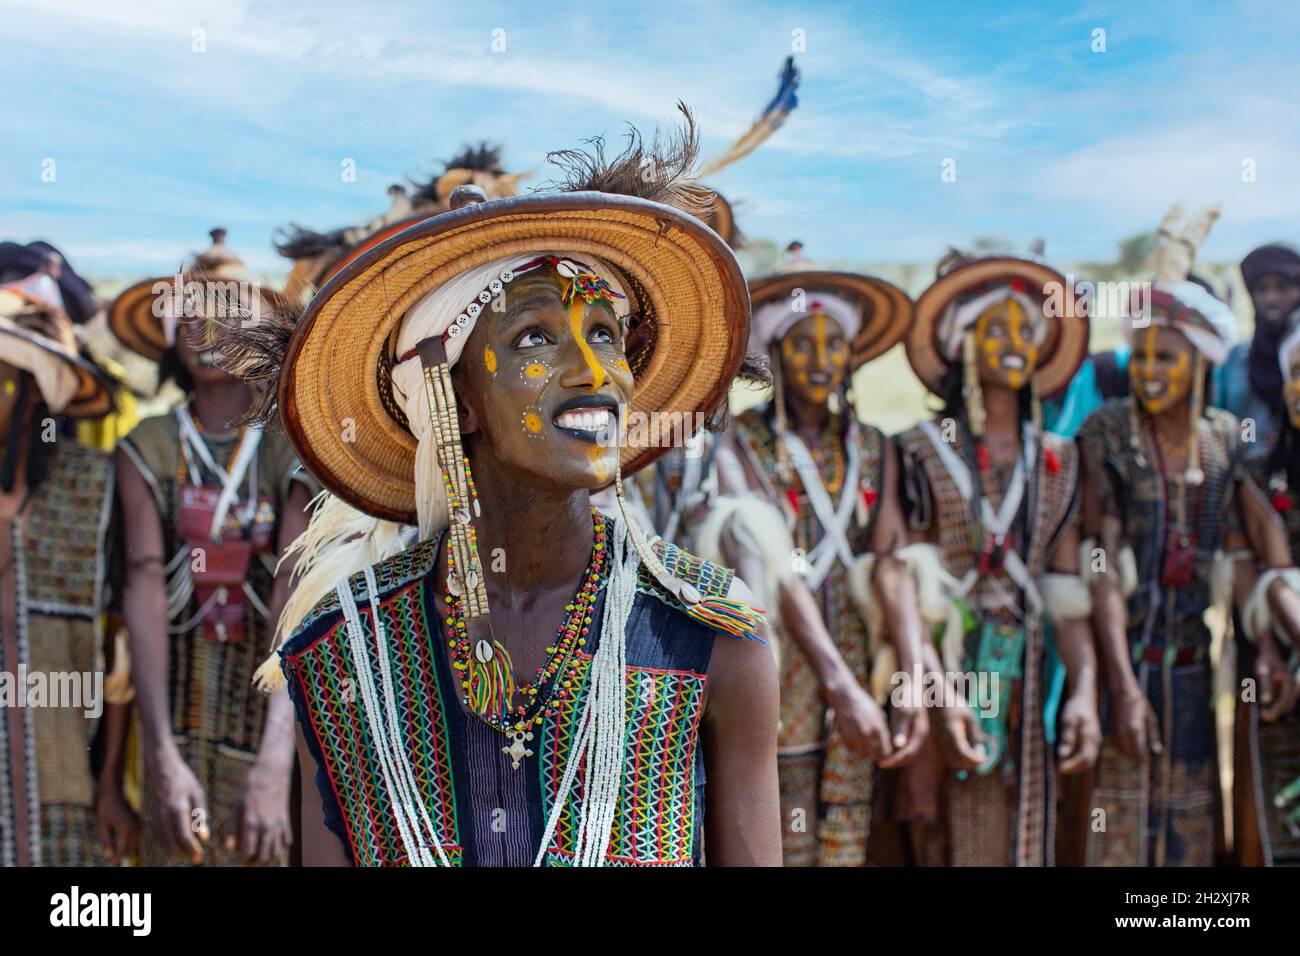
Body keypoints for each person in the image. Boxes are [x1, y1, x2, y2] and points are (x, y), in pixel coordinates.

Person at [222, 112, 782, 867]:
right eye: (535, 338)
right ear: (458, 402)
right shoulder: (343, 654)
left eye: (606, 333)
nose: (593, 369)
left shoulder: (715, 638)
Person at [1077, 208, 1300, 866]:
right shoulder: (1108, 433)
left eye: (1166, 357)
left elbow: (1238, 552)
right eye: (1141, 352)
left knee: (1189, 841)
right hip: (1131, 661)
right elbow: (1099, 567)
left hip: (1195, 672)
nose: (1149, 368)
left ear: (1200, 365)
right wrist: (1121, 687)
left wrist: (1263, 646)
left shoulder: (1224, 439)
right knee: (1119, 835)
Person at [882, 254, 1101, 866]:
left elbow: (1065, 593)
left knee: (1022, 828)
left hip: (1026, 675)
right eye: (994, 329)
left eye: (1024, 330)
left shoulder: (1059, 460)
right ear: (962, 346)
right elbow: (906, 584)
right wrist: (938, 691)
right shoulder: (919, 450)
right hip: (938, 669)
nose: (1013, 343)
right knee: (939, 833)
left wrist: (1082, 689)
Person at [711, 267, 927, 866]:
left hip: (859, 658)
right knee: (779, 829)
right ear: (775, 355)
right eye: (803, 343)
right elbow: (769, 567)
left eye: (835, 344)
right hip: (782, 663)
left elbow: (891, 564)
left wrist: (908, 682)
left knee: (847, 835)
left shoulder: (874, 446)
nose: (821, 358)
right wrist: (837, 684)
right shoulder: (742, 444)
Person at [109, 234, 312, 865]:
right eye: (189, 314)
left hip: (273, 706)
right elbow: (144, 589)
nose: (205, 327)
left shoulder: (292, 443)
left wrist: (277, 764)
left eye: (224, 311)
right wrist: (161, 755)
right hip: (178, 697)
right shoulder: (149, 444)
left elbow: (296, 595)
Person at [0, 273, 133, 866]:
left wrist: (110, 787)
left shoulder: (93, 485)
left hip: (66, 783)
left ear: (34, 394)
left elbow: (120, 650)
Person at [1232, 314, 1300, 865]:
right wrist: (1274, 653)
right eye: (1297, 372)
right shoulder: (1259, 473)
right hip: (1284, 667)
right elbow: (1274, 577)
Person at [1213, 243, 1300, 459]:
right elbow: (1220, 421)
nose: (1271, 299)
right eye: (1262, 289)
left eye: (1282, 287)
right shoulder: (1236, 359)